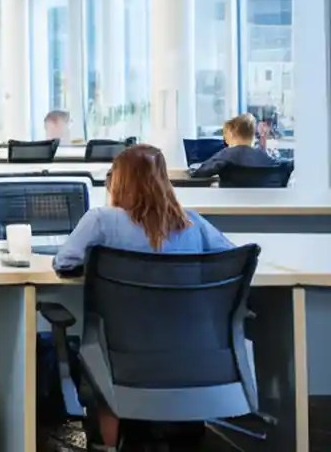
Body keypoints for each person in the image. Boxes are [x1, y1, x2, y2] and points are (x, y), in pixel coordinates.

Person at [53, 144, 234, 449]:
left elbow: (64, 263)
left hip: (121, 357)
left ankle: (108, 446)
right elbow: (230, 260)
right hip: (190, 354)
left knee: (103, 362)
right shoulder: (192, 223)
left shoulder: (101, 221)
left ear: (118, 181)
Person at [190, 113, 280, 178]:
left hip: (229, 201)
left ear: (233, 133)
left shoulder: (227, 154)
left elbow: (200, 173)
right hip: (260, 201)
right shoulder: (264, 156)